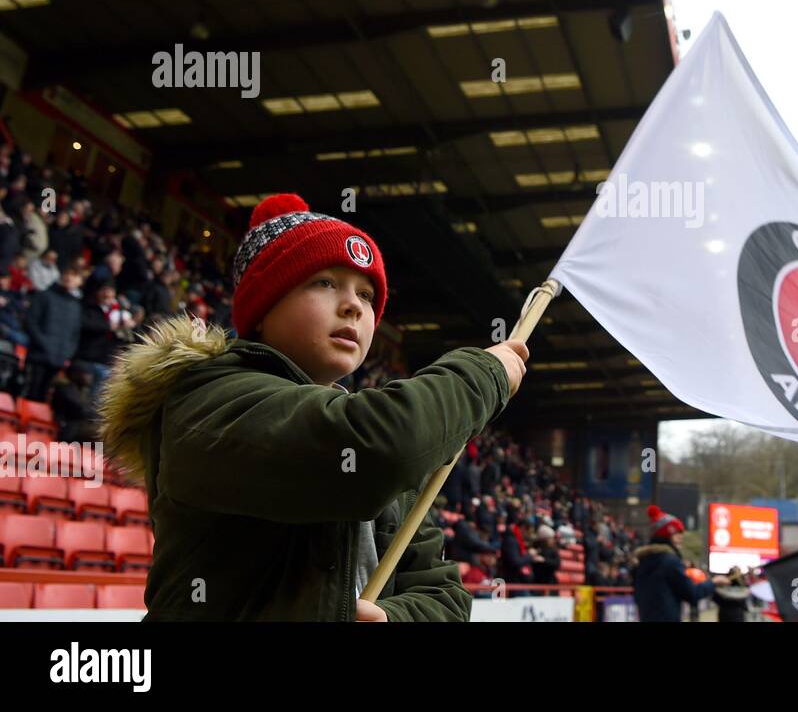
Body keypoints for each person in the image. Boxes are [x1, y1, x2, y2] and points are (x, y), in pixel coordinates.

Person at [98, 193, 530, 621]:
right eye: (324, 282)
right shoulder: (208, 397)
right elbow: (377, 448)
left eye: (367, 294)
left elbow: (445, 595)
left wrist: (393, 618)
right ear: (263, 307)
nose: (354, 306)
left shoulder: (361, 422)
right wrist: (483, 374)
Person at [632, 505, 725, 622]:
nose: (681, 538)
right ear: (666, 536)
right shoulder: (670, 562)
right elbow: (692, 593)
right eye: (676, 534)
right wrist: (713, 582)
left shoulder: (643, 561)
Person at [22, 266, 85, 402]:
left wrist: (67, 353)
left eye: (75, 276)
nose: (70, 278)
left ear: (80, 281)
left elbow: (75, 334)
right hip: (38, 356)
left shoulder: (76, 306)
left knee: (44, 399)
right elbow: (30, 322)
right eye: (68, 273)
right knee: (31, 393)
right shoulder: (44, 296)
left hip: (58, 360)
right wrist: (43, 344)